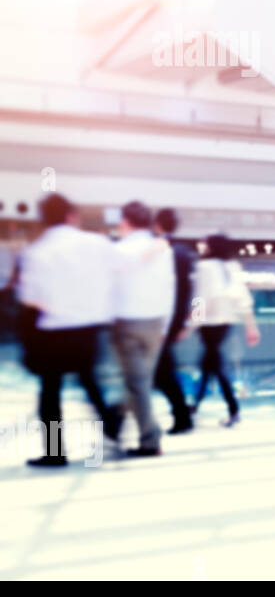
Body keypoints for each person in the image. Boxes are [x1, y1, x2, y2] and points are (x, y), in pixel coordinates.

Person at [18, 194, 120, 466]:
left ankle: (55, 452)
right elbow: (115, 276)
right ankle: (111, 423)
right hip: (89, 327)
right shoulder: (98, 244)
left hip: (53, 330)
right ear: (71, 216)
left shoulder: (37, 251)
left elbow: (29, 298)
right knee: (90, 382)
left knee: (50, 391)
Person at [108, 200, 174, 458]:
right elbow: (170, 289)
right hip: (156, 322)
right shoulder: (162, 249)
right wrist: (165, 327)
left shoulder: (120, 250)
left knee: (137, 384)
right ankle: (115, 423)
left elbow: (111, 289)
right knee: (138, 382)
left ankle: (150, 440)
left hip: (127, 323)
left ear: (125, 222)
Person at [191, 234, 260, 427]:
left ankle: (232, 409)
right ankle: (196, 404)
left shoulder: (204, 267)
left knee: (214, 365)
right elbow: (243, 299)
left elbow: (201, 297)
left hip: (209, 323)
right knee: (209, 363)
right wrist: (251, 326)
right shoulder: (232, 267)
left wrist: (191, 325)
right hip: (225, 323)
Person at [152, 207, 195, 434]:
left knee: (160, 372)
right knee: (161, 370)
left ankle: (182, 416)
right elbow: (189, 290)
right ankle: (182, 415)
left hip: (158, 320)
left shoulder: (159, 250)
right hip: (172, 321)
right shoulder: (183, 252)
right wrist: (185, 323)